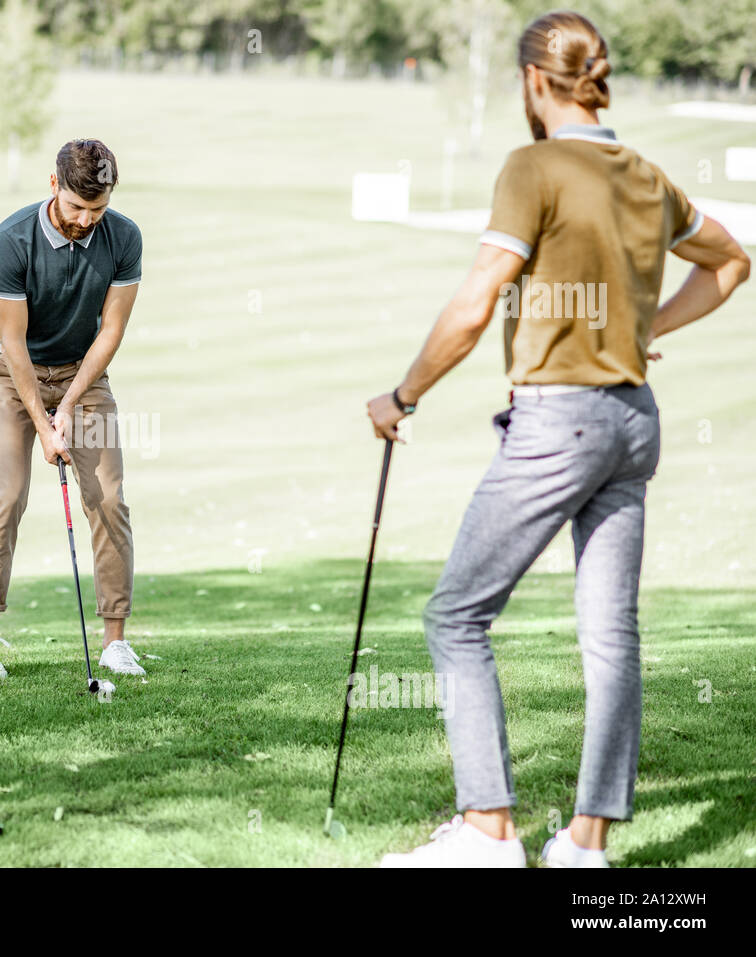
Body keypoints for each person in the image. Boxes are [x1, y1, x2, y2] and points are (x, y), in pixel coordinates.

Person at [367, 10, 749, 867]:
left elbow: (474, 306)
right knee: (610, 634)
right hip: (633, 420)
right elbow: (730, 263)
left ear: (536, 82)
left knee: (456, 615)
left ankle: (488, 831)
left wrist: (402, 395)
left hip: (559, 420)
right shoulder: (647, 176)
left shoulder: (532, 165)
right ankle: (586, 844)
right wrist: (651, 327)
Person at [0, 139, 145, 680]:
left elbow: (111, 331)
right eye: (75, 207)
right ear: (53, 186)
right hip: (9, 373)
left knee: (108, 497)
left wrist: (66, 405)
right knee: (8, 495)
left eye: (97, 209)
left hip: (82, 374)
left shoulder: (124, 237)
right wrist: (43, 424)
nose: (86, 220)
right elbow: (14, 345)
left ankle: (115, 640)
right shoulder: (11, 239)